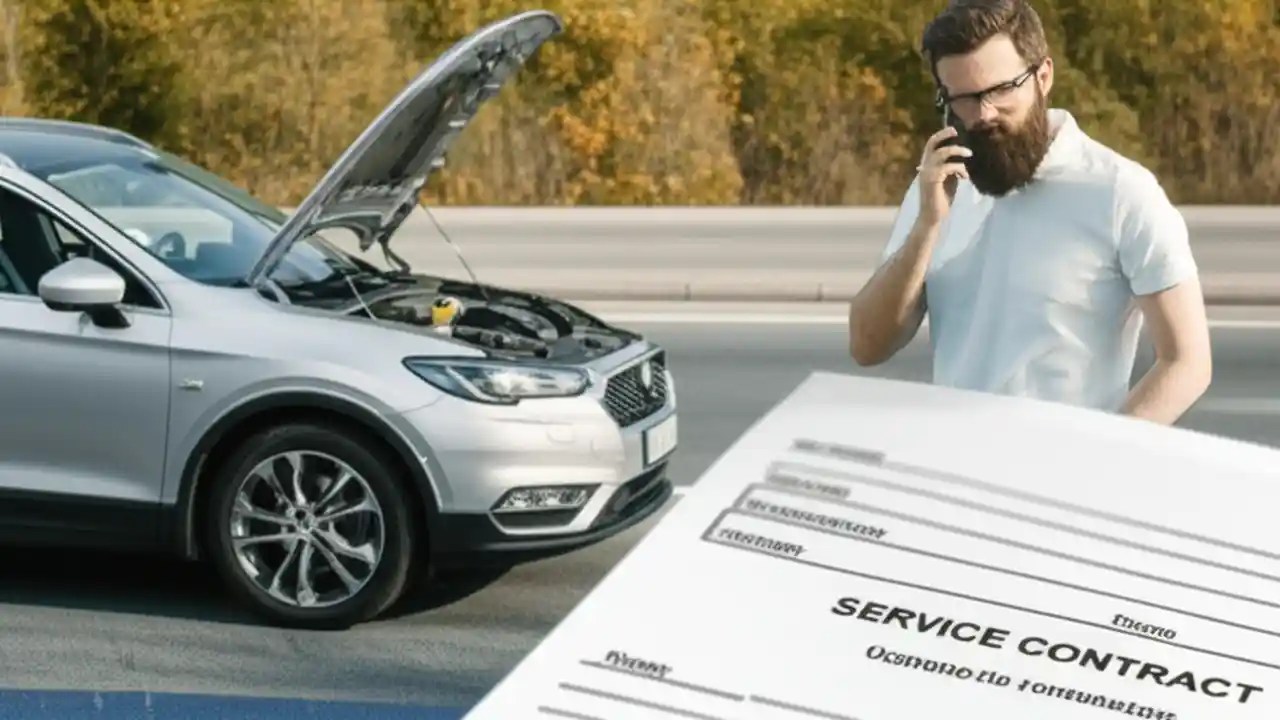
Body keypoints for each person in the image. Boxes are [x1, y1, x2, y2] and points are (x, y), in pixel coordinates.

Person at [846, 0, 1211, 425]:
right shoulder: (939, 185)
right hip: (954, 471)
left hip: (1063, 477)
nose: (983, 114)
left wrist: (1099, 455)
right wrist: (928, 226)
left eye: (999, 91)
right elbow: (867, 346)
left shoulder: (1119, 192)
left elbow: (1187, 363)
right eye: (962, 98)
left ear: (1043, 76)